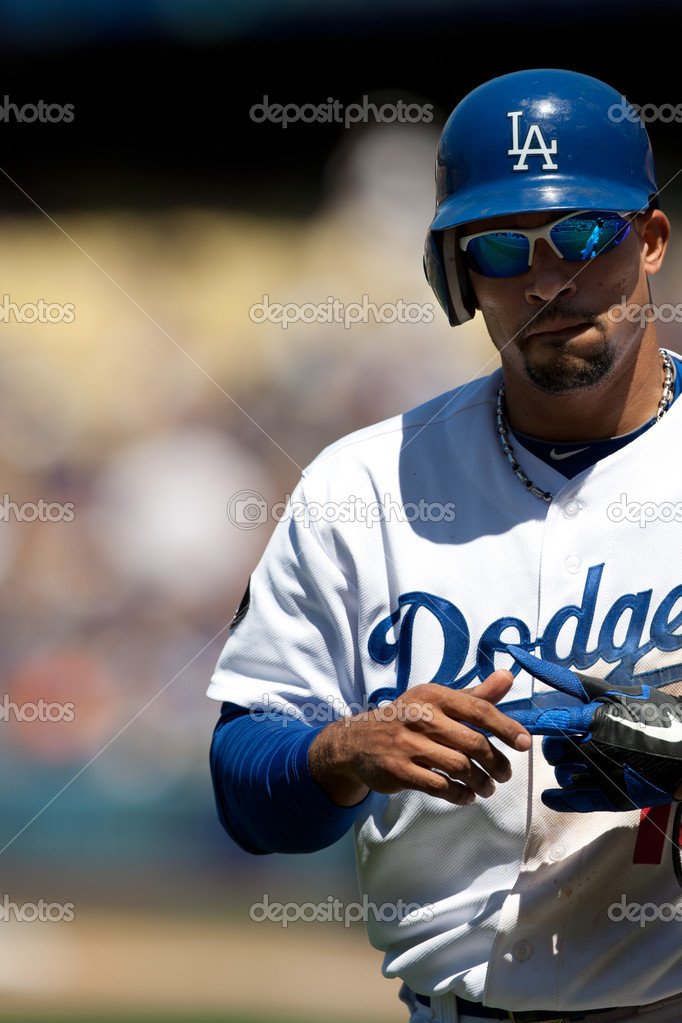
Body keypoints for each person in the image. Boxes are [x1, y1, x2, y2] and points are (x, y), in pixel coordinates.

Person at [208, 68, 682, 1023]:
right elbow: (244, 786)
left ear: (652, 243)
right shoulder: (363, 485)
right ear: (458, 275)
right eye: (504, 247)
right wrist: (343, 748)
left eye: (586, 236)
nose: (551, 281)